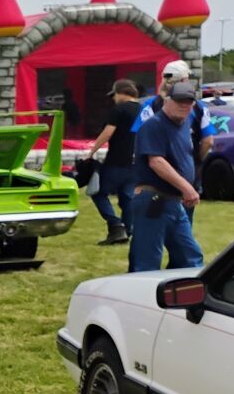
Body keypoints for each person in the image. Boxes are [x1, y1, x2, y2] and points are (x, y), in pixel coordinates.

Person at [128, 79, 204, 273]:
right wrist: (187, 188)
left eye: (189, 102)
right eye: (179, 101)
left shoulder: (184, 124)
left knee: (190, 257)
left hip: (174, 202)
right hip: (154, 200)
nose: (184, 106)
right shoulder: (154, 125)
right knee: (147, 262)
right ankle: (141, 299)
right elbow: (157, 162)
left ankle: (183, 297)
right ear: (166, 101)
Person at [83, 79, 141, 245]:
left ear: (121, 93)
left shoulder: (119, 110)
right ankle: (128, 231)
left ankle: (116, 226)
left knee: (98, 193)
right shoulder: (145, 110)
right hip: (136, 162)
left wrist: (92, 152)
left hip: (117, 160)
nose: (114, 99)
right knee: (127, 197)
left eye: (114, 95)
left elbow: (108, 133)